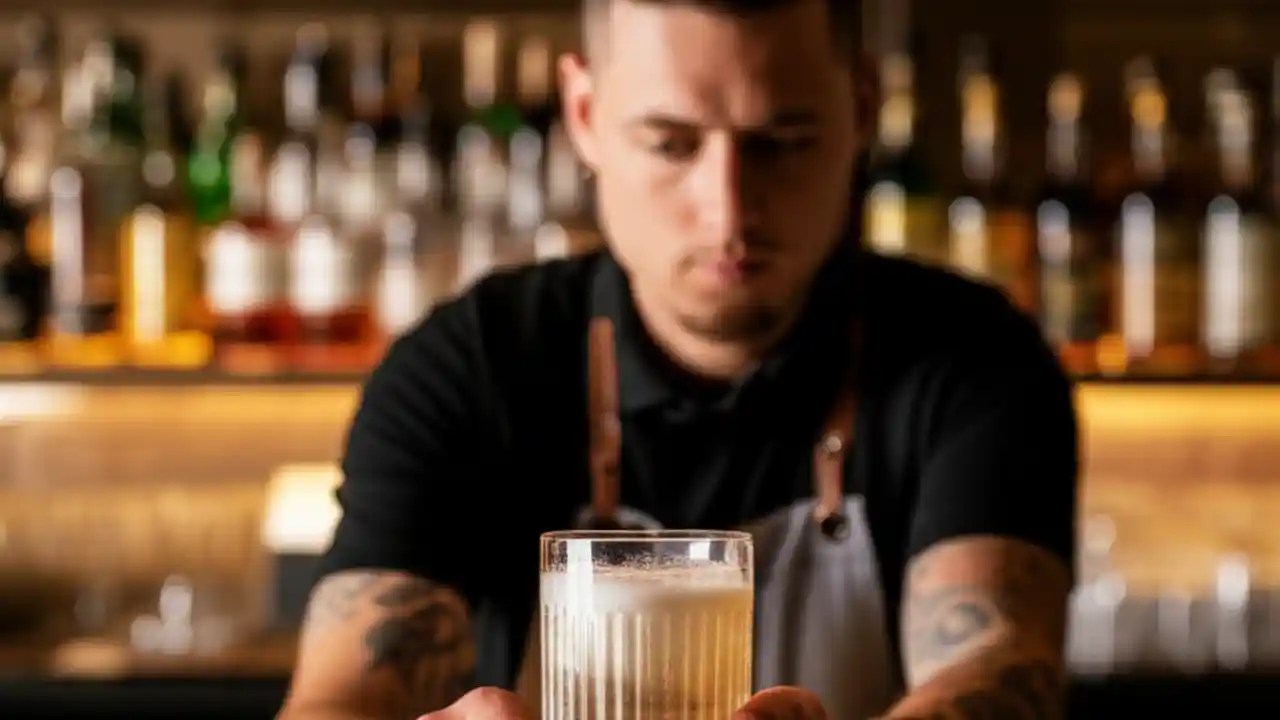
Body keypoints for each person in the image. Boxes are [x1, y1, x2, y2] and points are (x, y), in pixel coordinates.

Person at [276, 0, 1078, 718]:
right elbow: (344, 695)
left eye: (782, 143)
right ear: (584, 113)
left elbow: (997, 669)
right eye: (670, 143)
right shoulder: (466, 366)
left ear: (863, 108)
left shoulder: (977, 358)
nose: (727, 210)